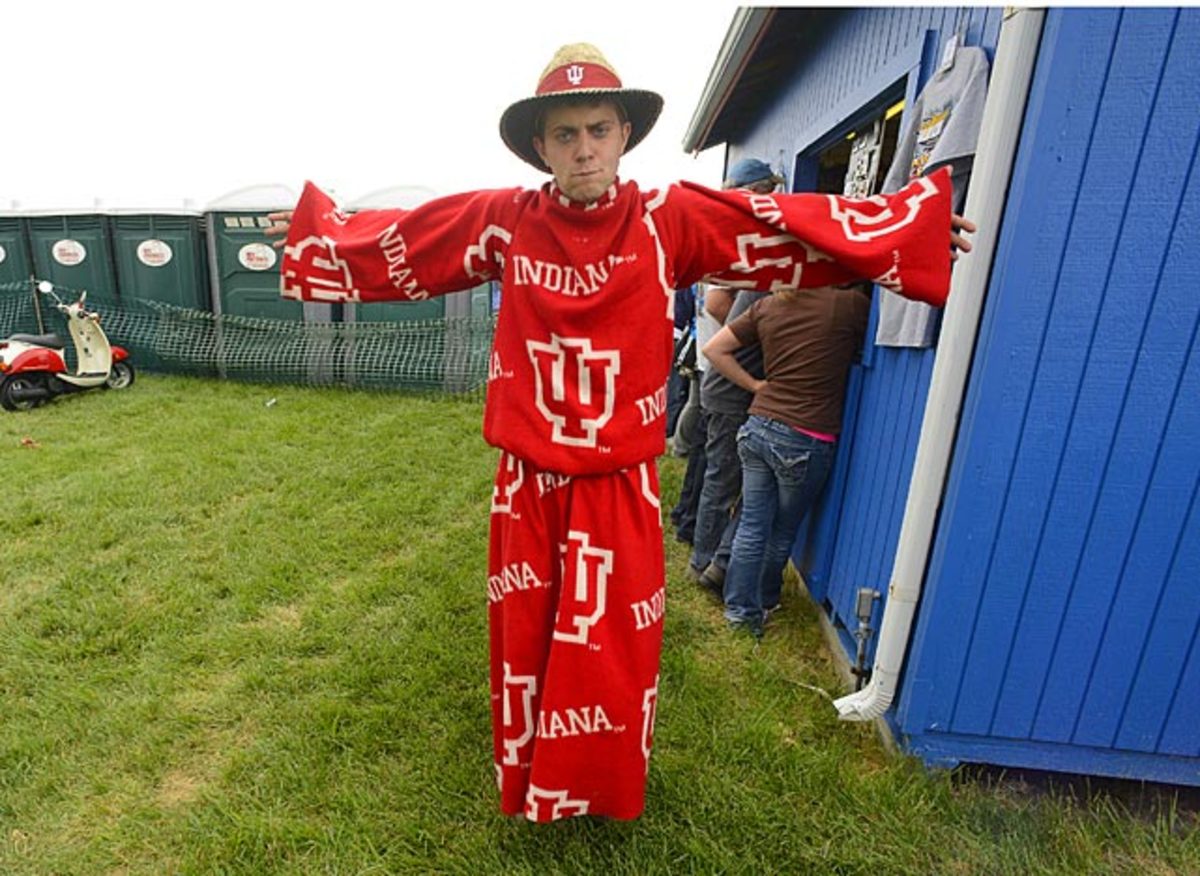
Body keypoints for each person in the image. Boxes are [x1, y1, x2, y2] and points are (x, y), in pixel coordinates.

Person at [264, 43, 973, 822]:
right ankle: (533, 784)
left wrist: (904, 232)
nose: (584, 149)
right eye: (565, 134)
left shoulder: (669, 221)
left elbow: (783, 228)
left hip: (619, 484)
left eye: (598, 129)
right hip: (529, 485)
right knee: (530, 645)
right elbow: (413, 238)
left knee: (611, 655)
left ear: (624, 134)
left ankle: (599, 790)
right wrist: (316, 234)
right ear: (541, 146)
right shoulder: (505, 222)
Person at [703, 283, 872, 638]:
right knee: (780, 531)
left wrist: (755, 386)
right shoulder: (849, 305)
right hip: (806, 436)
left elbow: (713, 349)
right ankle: (765, 601)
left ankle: (739, 613)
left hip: (758, 425)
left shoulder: (769, 304)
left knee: (752, 524)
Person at [687, 158, 781, 589]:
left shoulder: (747, 244)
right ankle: (702, 562)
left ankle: (703, 550)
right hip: (728, 384)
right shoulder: (753, 251)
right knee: (722, 477)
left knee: (717, 472)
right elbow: (713, 303)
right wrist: (743, 336)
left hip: (724, 380)